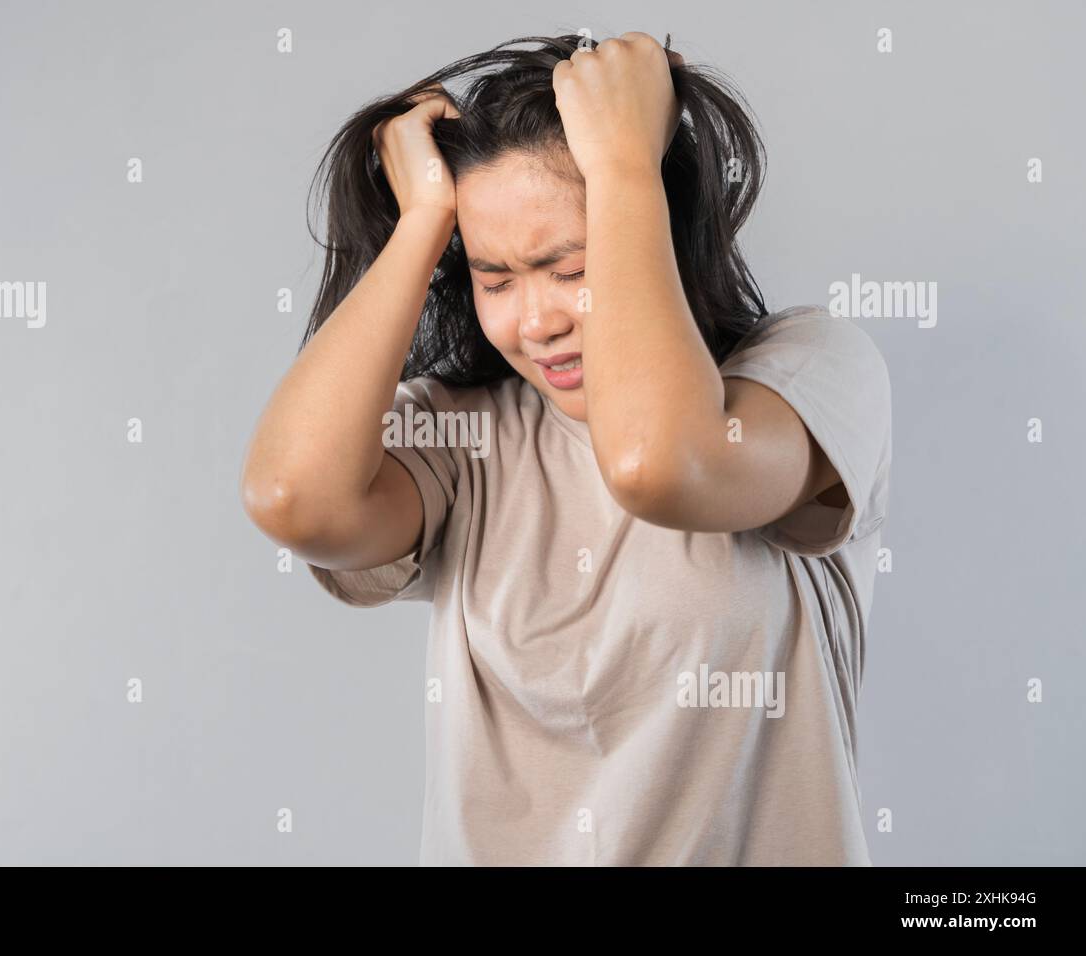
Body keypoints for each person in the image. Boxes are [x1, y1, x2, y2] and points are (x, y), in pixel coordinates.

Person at [241, 31, 892, 865]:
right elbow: (293, 499)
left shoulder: (809, 372)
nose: (537, 320)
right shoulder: (463, 436)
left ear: (651, 228)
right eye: (496, 278)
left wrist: (624, 162)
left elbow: (658, 463)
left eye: (570, 267)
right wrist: (423, 220)